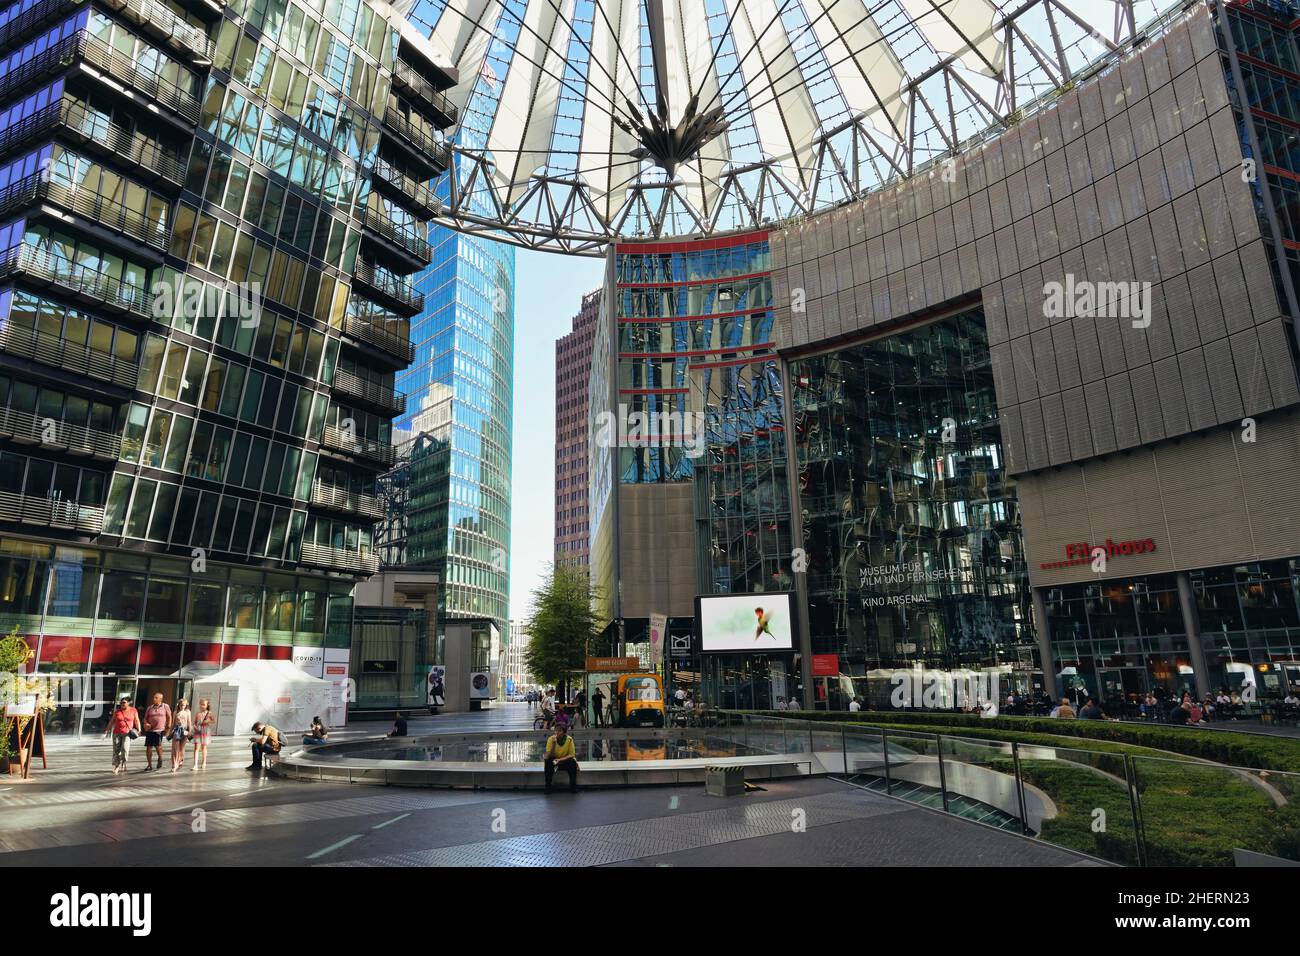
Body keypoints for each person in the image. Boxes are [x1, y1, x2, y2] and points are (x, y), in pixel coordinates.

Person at [104, 696, 140, 775]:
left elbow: (137, 720)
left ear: (128, 703)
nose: (122, 704)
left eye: (124, 702)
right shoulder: (117, 711)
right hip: (117, 733)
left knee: (125, 749)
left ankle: (124, 762)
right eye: (121, 703)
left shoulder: (133, 710)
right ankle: (116, 766)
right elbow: (111, 721)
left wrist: (139, 729)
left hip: (127, 734)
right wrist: (107, 730)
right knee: (116, 750)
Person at [543, 722, 579, 793]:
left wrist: (560, 759)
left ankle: (573, 786)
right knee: (548, 762)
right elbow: (548, 756)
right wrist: (553, 745)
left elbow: (572, 754)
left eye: (559, 731)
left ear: (564, 732)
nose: (557, 732)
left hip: (563, 761)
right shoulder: (551, 739)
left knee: (572, 763)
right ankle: (548, 786)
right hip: (555, 762)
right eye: (556, 730)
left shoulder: (569, 739)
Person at [142, 692, 172, 772]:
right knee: (148, 747)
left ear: (160, 699)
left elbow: (169, 716)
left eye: (156, 698)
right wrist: (146, 723)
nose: (154, 699)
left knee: (158, 746)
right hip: (150, 730)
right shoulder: (150, 708)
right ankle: (149, 765)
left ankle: (160, 758)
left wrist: (168, 726)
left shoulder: (165, 706)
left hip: (160, 730)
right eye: (154, 697)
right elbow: (145, 718)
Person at [169, 698, 193, 771]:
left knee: (181, 748)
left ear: (186, 705)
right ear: (178, 705)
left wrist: (190, 731)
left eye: (184, 705)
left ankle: (180, 760)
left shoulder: (188, 712)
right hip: (177, 730)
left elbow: (189, 722)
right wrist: (170, 732)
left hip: (185, 731)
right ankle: (174, 765)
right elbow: (173, 723)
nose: (182, 706)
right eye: (181, 705)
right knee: (175, 748)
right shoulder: (175, 712)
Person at [191, 698, 215, 770]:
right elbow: (194, 722)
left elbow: (213, 721)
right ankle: (195, 765)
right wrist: (194, 726)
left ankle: (204, 762)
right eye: (201, 704)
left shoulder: (209, 713)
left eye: (203, 704)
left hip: (205, 731)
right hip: (198, 731)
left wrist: (207, 721)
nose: (202, 706)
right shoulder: (198, 713)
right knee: (196, 748)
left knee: (204, 747)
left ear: (207, 705)